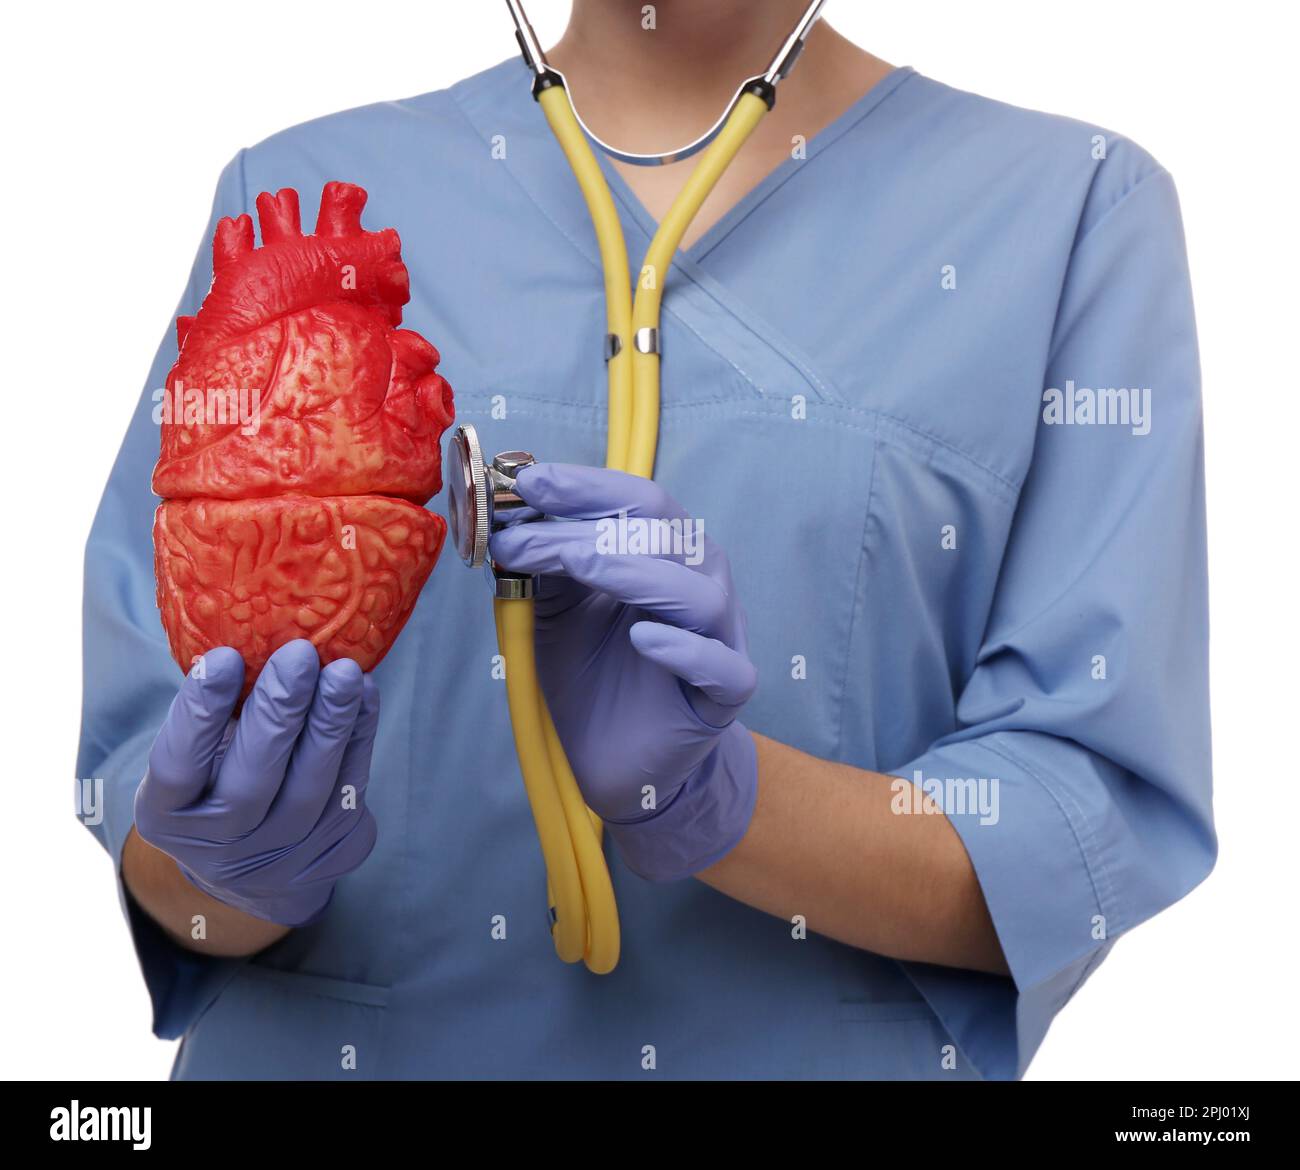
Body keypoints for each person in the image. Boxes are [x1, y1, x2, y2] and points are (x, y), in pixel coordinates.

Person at [77, 0, 1214, 1080]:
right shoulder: (298, 211)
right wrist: (226, 866)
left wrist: (726, 799)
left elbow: (1069, 836)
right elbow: (168, 852)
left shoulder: (1070, 213)